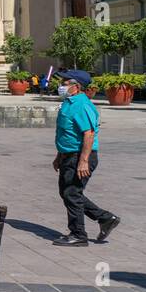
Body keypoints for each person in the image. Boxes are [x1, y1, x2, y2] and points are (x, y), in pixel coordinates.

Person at [51, 70, 120, 247]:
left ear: (77, 86)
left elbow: (88, 134)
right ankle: (105, 218)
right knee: (68, 193)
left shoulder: (81, 105)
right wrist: (59, 155)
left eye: (65, 83)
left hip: (79, 156)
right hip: (68, 155)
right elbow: (67, 133)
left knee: (71, 193)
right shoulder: (69, 102)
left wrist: (83, 161)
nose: (61, 86)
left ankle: (78, 234)